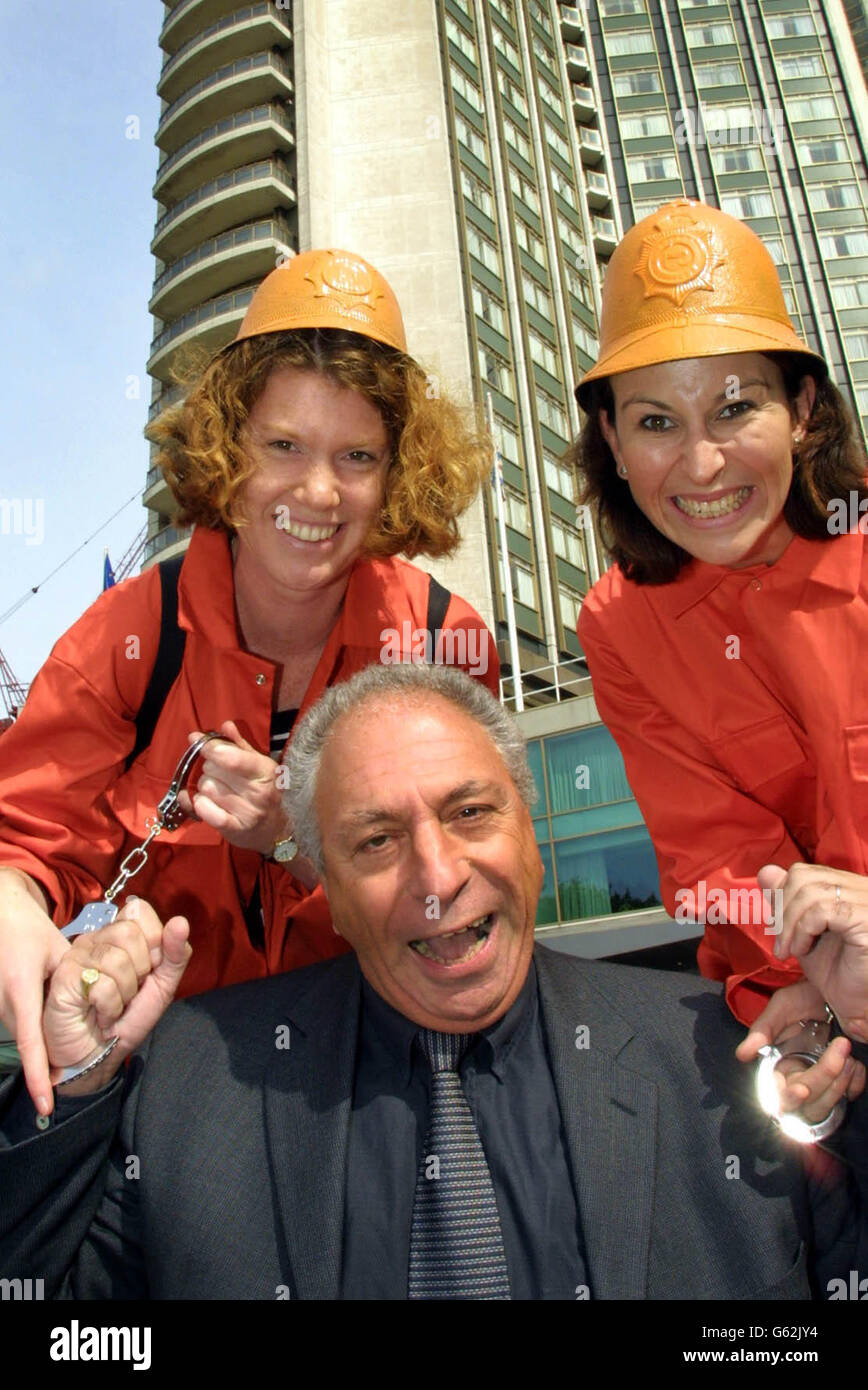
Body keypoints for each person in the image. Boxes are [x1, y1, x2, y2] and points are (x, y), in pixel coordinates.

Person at [1, 664, 866, 1301]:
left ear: (531, 834)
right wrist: (75, 1089)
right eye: (375, 841)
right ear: (328, 894)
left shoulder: (716, 1050)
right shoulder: (184, 1085)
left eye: (470, 812)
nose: (437, 875)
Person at [0, 248, 498, 1119]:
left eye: (356, 456)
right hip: (170, 1097)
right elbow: (22, 845)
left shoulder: (441, 642)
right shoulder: (125, 637)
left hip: (391, 1084)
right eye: (282, 445)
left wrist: (295, 839)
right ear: (228, 451)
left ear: (397, 475)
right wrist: (18, 922)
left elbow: (474, 891)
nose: (317, 491)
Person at [570, 199, 868, 1068]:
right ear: (614, 444)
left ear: (804, 406)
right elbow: (717, 851)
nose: (701, 467)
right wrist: (808, 1000)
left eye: (736, 409)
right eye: (657, 422)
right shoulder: (619, 624)